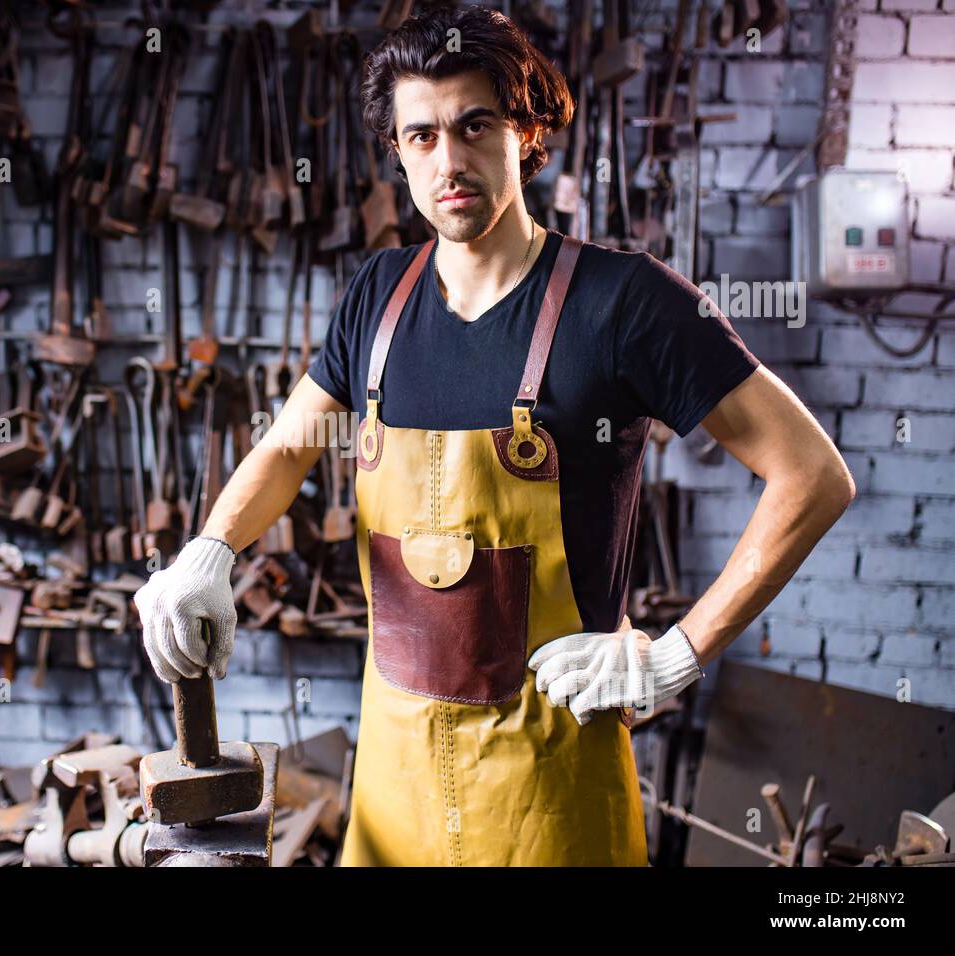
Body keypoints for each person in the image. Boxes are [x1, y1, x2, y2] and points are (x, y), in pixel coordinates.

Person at [132, 6, 855, 866]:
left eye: (475, 125)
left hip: (551, 793)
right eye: (422, 136)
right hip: (392, 790)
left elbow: (813, 474)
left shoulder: (625, 302)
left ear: (526, 128)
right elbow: (289, 445)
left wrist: (677, 655)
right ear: (397, 152)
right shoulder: (380, 295)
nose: (450, 161)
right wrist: (211, 552)